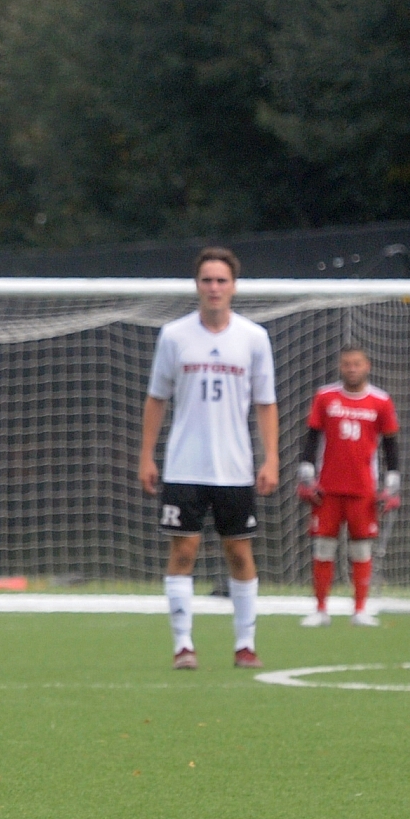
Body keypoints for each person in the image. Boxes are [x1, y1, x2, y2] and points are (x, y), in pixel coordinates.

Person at [139, 246, 280, 671]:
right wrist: (146, 455)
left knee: (239, 554)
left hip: (234, 467)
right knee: (183, 551)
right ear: (197, 286)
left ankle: (245, 645)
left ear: (233, 286)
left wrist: (270, 458)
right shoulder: (175, 336)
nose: (214, 288)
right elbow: (157, 398)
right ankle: (183, 646)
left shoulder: (253, 337)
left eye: (221, 280)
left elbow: (266, 403)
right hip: (184, 465)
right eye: (207, 280)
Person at [297, 345, 401, 628]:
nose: (351, 369)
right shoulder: (325, 396)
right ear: (340, 367)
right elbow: (313, 437)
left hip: (363, 489)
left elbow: (390, 443)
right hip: (327, 487)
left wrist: (393, 478)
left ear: (367, 366)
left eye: (356, 364)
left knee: (361, 550)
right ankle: (320, 609)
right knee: (323, 547)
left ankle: (360, 610)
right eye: (346, 364)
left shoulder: (380, 401)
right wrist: (306, 470)